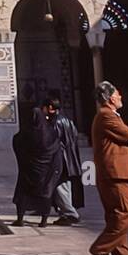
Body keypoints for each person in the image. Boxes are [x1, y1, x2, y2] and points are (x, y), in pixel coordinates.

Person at [89, 80, 128, 255]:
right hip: (114, 173)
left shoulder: (108, 115)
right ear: (111, 97)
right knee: (126, 212)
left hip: (112, 171)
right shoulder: (107, 116)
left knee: (116, 215)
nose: (121, 97)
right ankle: (100, 247)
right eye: (118, 94)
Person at [11, 106, 60, 226]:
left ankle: (20, 219)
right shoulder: (50, 133)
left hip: (28, 170)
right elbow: (56, 148)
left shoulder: (25, 133)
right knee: (45, 194)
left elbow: (17, 142)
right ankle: (44, 221)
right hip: (45, 170)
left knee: (23, 193)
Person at [44, 94, 83, 225]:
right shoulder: (67, 120)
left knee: (60, 186)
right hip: (70, 159)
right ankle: (65, 213)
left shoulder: (55, 122)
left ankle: (70, 213)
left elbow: (52, 143)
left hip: (61, 160)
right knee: (64, 186)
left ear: (49, 108)